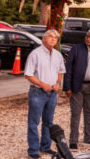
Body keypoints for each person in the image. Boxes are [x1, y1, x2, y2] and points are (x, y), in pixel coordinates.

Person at [24, 29, 65, 159]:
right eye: (51, 37)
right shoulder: (35, 54)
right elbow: (28, 74)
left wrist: (58, 83)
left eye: (56, 38)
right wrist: (43, 85)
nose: (53, 39)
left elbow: (60, 71)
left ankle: (45, 147)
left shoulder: (58, 55)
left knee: (48, 122)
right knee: (33, 122)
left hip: (52, 93)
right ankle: (33, 150)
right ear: (44, 39)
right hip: (37, 92)